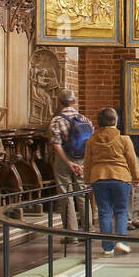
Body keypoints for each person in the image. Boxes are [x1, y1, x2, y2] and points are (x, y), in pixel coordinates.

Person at [83, 108, 139, 255]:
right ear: (116, 120)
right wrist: (136, 178)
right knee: (121, 211)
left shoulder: (92, 139)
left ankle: (107, 247)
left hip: (98, 177)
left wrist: (87, 179)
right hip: (120, 177)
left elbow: (87, 161)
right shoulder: (123, 139)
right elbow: (132, 160)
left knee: (104, 212)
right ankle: (120, 242)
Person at [49, 89, 93, 234]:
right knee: (82, 193)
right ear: (74, 101)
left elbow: (56, 143)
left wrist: (68, 162)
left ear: (59, 102)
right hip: (82, 159)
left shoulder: (57, 120)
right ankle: (88, 229)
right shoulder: (85, 119)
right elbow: (90, 142)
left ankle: (71, 233)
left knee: (65, 195)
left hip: (64, 160)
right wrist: (84, 163)